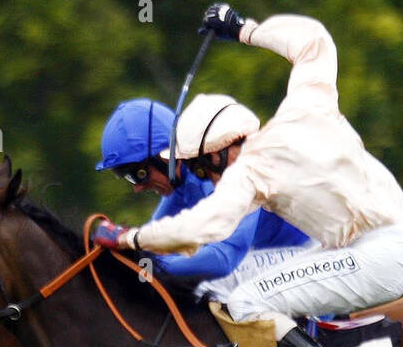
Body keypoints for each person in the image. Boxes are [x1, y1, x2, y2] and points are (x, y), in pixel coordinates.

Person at [95, 4, 403, 347]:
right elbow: (314, 43)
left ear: (217, 151)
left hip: (379, 255)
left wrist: (133, 239)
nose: (203, 178)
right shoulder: (302, 106)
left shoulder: (248, 174)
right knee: (232, 292)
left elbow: (205, 237)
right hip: (372, 240)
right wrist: (243, 29)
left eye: (199, 168)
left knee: (244, 300)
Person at [95, 97, 315, 305]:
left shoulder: (218, 175)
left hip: (312, 254)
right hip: (273, 259)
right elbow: (154, 244)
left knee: (210, 282)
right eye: (128, 177)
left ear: (166, 156)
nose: (137, 187)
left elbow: (223, 258)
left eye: (139, 174)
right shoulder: (183, 183)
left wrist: (150, 268)